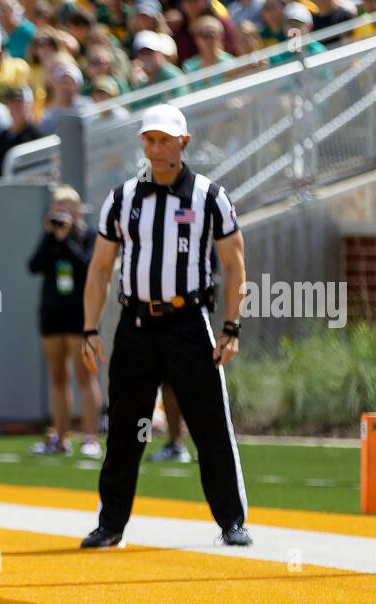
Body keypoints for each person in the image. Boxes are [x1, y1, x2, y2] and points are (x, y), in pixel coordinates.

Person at [80, 104, 251, 548]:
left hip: (188, 322)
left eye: (163, 140)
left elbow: (235, 265)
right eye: (149, 140)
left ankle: (232, 520)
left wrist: (231, 327)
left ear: (184, 142)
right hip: (136, 324)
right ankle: (110, 523)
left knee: (210, 424)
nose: (155, 149)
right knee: (123, 427)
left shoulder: (210, 196)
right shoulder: (122, 198)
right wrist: (89, 329)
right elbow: (100, 268)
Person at [29, 186, 101, 457]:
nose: (61, 213)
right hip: (52, 311)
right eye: (57, 207)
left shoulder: (88, 235)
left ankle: (90, 437)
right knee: (57, 376)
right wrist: (52, 237)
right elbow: (33, 266)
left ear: (77, 210)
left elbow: (88, 267)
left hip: (79, 313)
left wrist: (68, 239)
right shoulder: (50, 237)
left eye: (66, 207)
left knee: (84, 375)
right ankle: (60, 437)